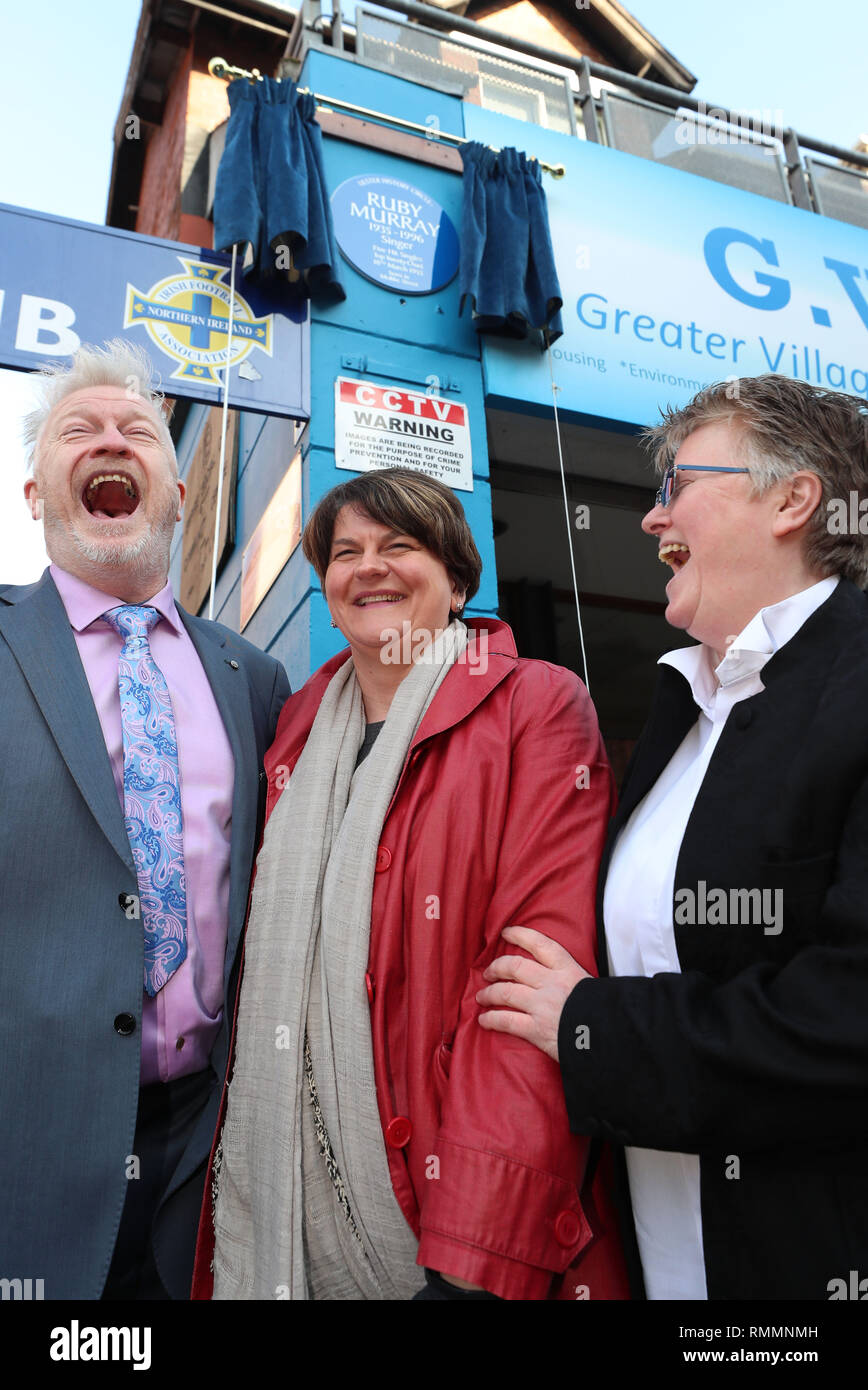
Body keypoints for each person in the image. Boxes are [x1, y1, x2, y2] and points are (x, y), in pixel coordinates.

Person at [477, 373, 868, 1301]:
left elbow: (847, 1020)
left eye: (676, 487)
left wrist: (591, 1027)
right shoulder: (684, 712)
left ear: (794, 498)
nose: (653, 521)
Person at [195, 466, 628, 1300]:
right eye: (346, 553)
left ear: (458, 577)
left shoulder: (536, 706)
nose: (369, 567)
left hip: (446, 1214)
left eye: (400, 546)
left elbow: (525, 993)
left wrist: (476, 1257)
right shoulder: (289, 732)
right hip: (274, 1195)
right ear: (325, 591)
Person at [0, 339, 290, 1300]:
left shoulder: (255, 678)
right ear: (38, 496)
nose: (110, 440)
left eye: (139, 432)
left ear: (173, 490)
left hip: (213, 1146)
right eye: (77, 431)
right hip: (27, 1147)